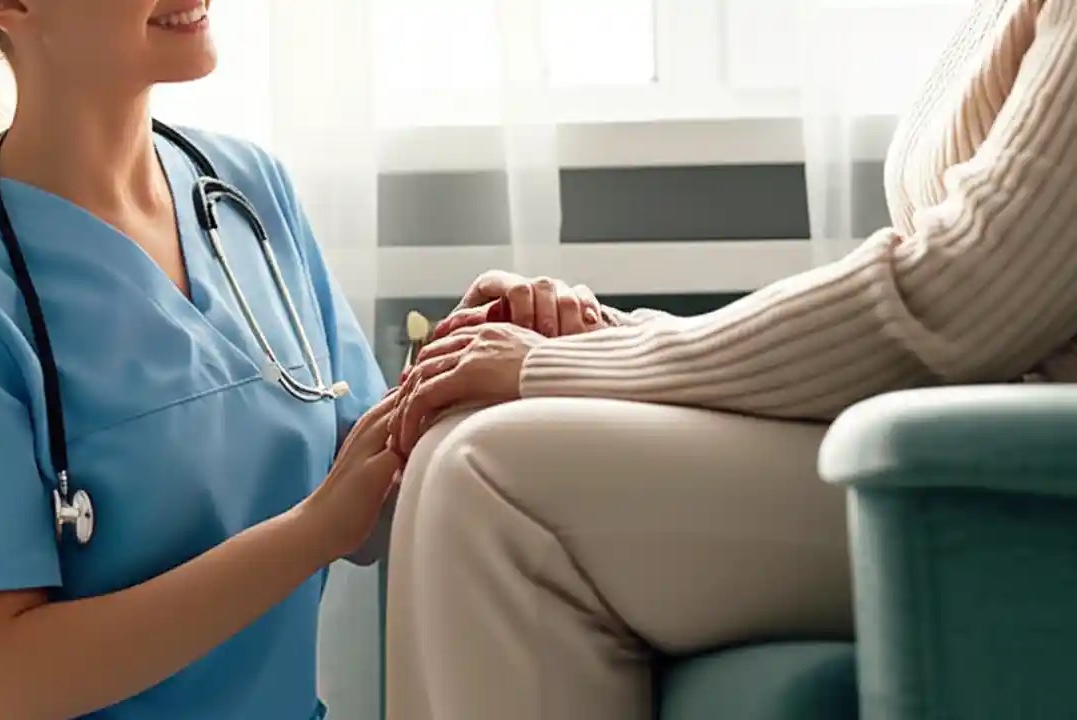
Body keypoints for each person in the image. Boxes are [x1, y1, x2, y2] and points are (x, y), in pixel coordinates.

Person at [383, 0, 1077, 717]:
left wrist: (563, 368)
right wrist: (605, 337)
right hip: (964, 451)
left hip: (1027, 486)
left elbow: (958, 303)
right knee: (452, 444)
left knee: (493, 476)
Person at [0, 1, 409, 718]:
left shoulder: (249, 192)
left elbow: (368, 512)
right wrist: (308, 535)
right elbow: (4, 683)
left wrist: (495, 346)